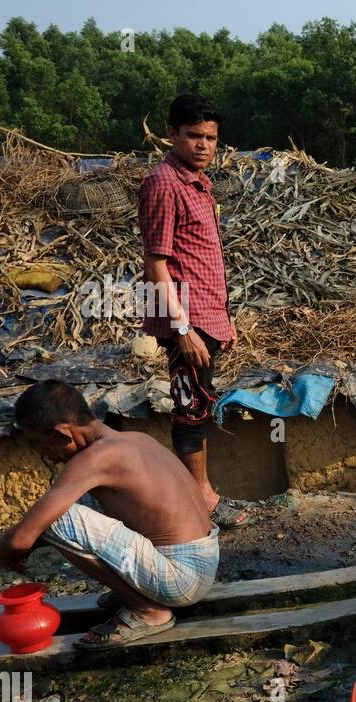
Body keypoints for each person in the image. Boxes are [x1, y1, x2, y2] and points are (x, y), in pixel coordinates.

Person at [0, 380, 220, 649]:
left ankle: (146, 609)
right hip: (203, 562)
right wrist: (32, 540)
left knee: (58, 518)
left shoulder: (93, 460)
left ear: (63, 435)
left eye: (38, 444)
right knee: (71, 504)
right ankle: (138, 591)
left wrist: (5, 551)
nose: (41, 454)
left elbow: (19, 539)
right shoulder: (136, 439)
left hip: (180, 578)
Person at [138, 92, 251, 529]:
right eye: (193, 136)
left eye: (211, 137)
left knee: (200, 401)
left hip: (206, 316)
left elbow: (202, 258)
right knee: (190, 406)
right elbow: (156, 264)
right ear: (170, 134)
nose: (203, 145)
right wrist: (182, 327)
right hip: (185, 320)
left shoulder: (198, 185)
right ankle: (200, 501)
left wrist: (223, 319)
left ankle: (200, 496)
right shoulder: (163, 184)